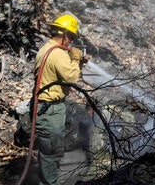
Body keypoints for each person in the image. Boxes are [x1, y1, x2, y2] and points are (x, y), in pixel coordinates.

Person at [31, 12, 88, 185]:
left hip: (47, 108)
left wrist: (78, 63)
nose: (70, 41)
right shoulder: (56, 54)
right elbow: (70, 77)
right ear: (63, 35)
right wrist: (76, 59)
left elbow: (59, 74)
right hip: (50, 110)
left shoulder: (48, 49)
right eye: (70, 37)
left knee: (50, 151)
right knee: (51, 154)